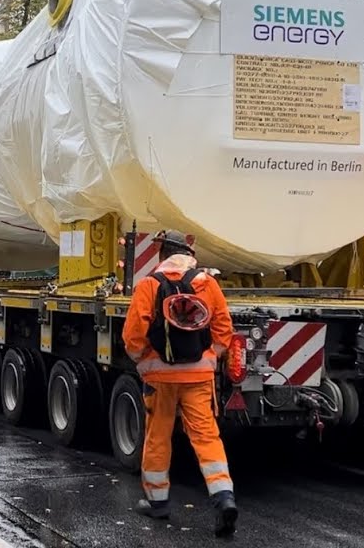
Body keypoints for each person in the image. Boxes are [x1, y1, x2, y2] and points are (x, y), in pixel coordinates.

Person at [122, 230, 238, 538]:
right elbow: (224, 328)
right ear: (189, 256)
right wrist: (211, 356)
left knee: (158, 437)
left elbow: (133, 335)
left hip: (160, 379)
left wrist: (144, 361)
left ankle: (157, 502)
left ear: (162, 255)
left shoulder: (150, 284)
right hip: (198, 378)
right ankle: (224, 496)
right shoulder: (206, 283)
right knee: (207, 437)